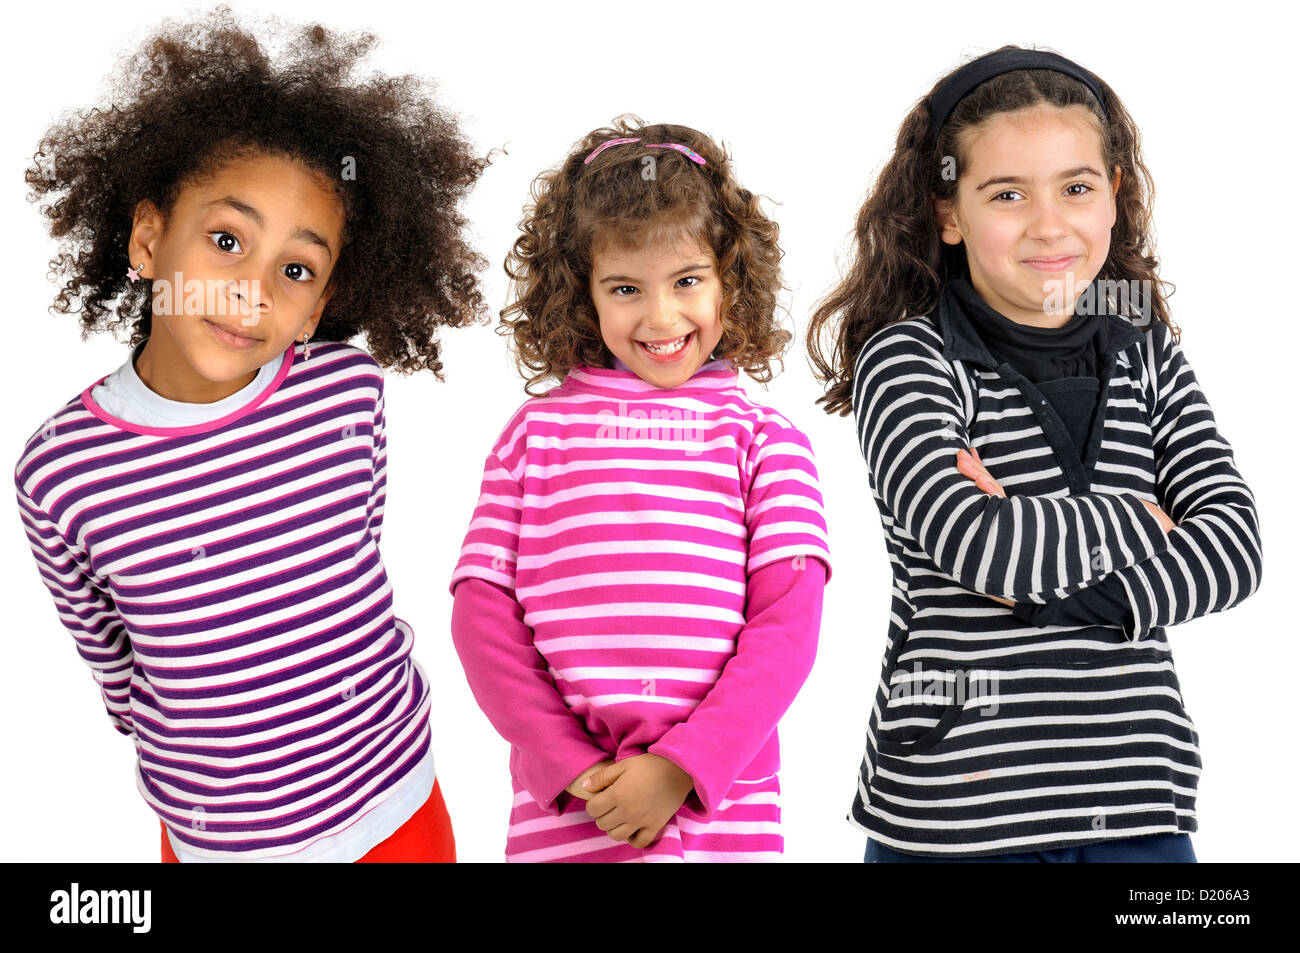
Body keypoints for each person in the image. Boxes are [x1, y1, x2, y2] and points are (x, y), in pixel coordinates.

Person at [15, 7, 490, 862]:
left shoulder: (347, 393)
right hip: (217, 840)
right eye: (227, 239)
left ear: (323, 302)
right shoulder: (61, 468)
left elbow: (349, 567)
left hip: (393, 807)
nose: (254, 289)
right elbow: (115, 664)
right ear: (150, 237)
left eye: (297, 268)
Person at [805, 46, 1262, 861]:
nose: (1050, 225)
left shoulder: (1145, 349)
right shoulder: (912, 358)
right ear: (948, 213)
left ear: (1114, 197)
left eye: (1077, 188)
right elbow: (973, 543)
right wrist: (1146, 519)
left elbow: (1234, 547)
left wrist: (1052, 581)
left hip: (1139, 809)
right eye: (1007, 194)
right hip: (956, 814)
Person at [449, 117, 833, 861]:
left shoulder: (763, 439)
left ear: (731, 279)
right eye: (626, 287)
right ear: (581, 294)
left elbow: (788, 626)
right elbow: (481, 616)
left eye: (687, 280)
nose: (661, 317)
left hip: (720, 817)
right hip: (570, 814)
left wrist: (682, 767)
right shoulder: (534, 436)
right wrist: (574, 766)